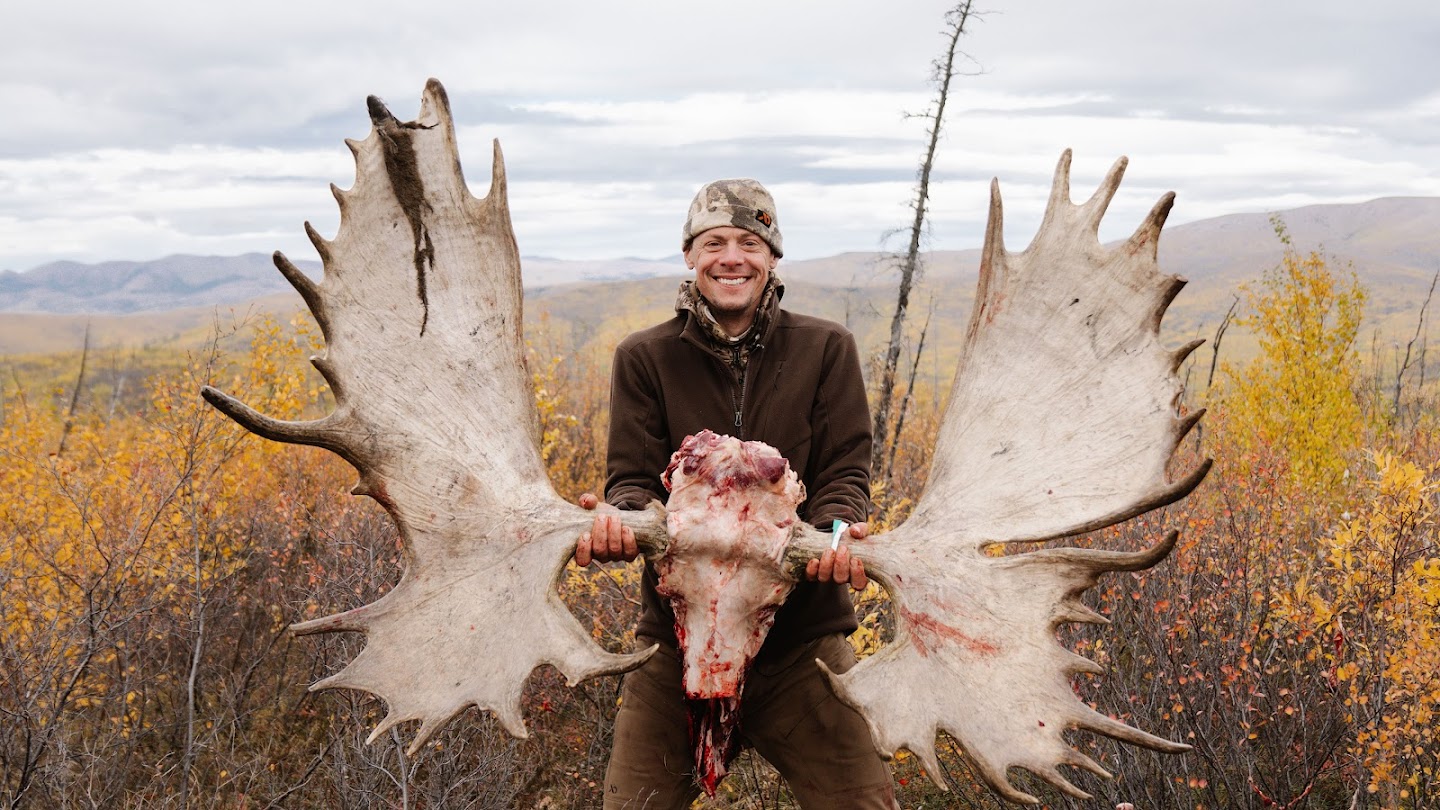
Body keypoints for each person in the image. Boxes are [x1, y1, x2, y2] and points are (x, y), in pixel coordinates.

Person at [573, 178, 899, 809]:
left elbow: (844, 475)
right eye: (714, 242)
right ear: (690, 255)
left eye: (749, 242)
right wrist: (624, 522)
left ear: (772, 257)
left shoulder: (826, 349)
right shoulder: (644, 358)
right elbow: (632, 479)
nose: (732, 257)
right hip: (676, 646)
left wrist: (835, 535)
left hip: (803, 650)